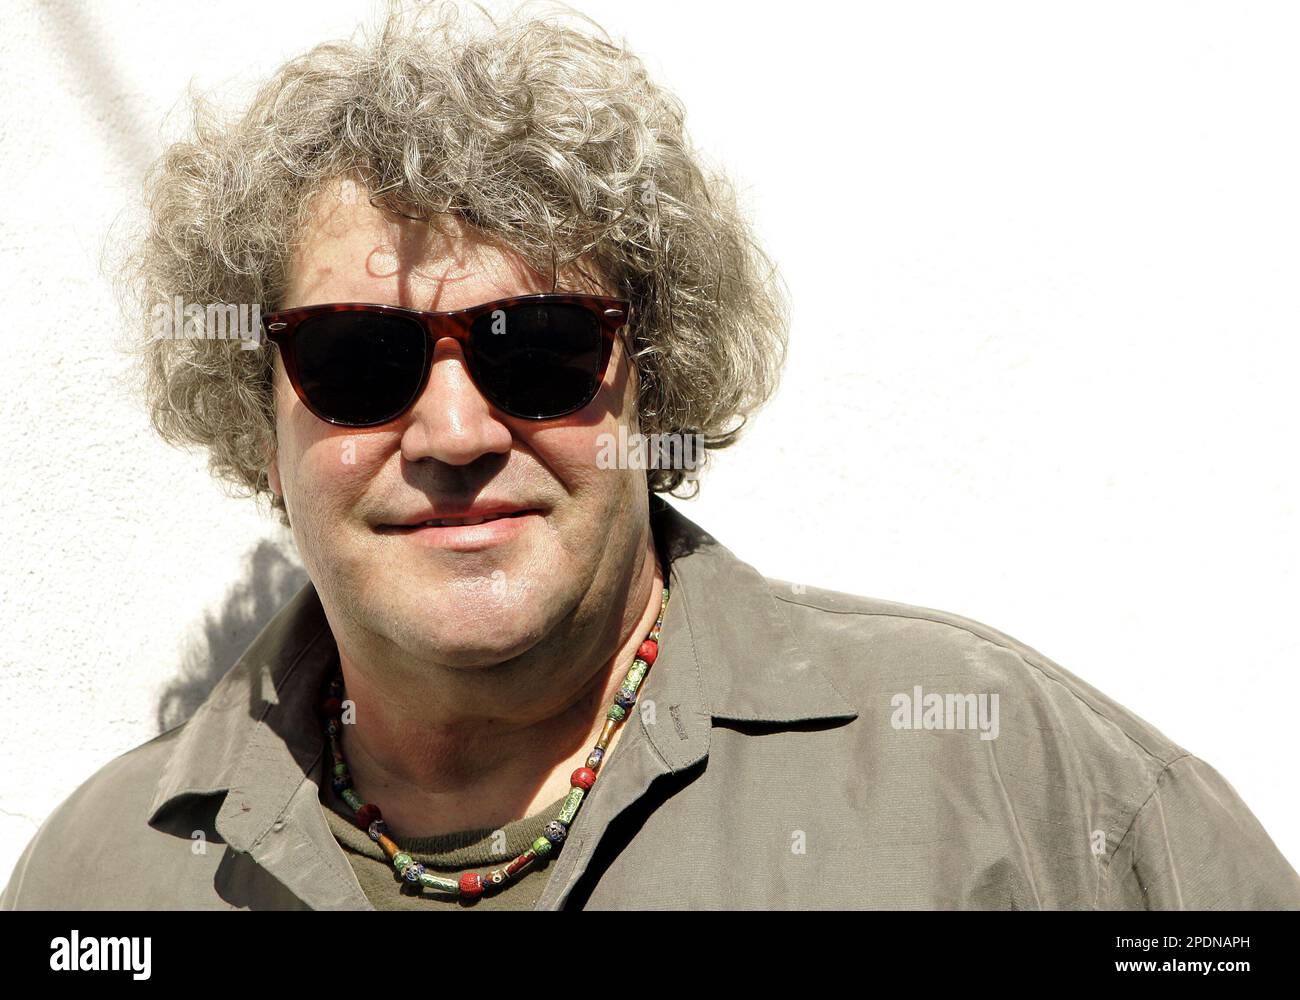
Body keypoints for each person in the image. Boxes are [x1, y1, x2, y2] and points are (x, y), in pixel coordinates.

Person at [4, 1, 1298, 911]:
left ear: (651, 382)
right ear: (263, 420)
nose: (456, 433)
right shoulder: (101, 878)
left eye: (540, 349)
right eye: (356, 361)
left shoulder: (1001, 777)